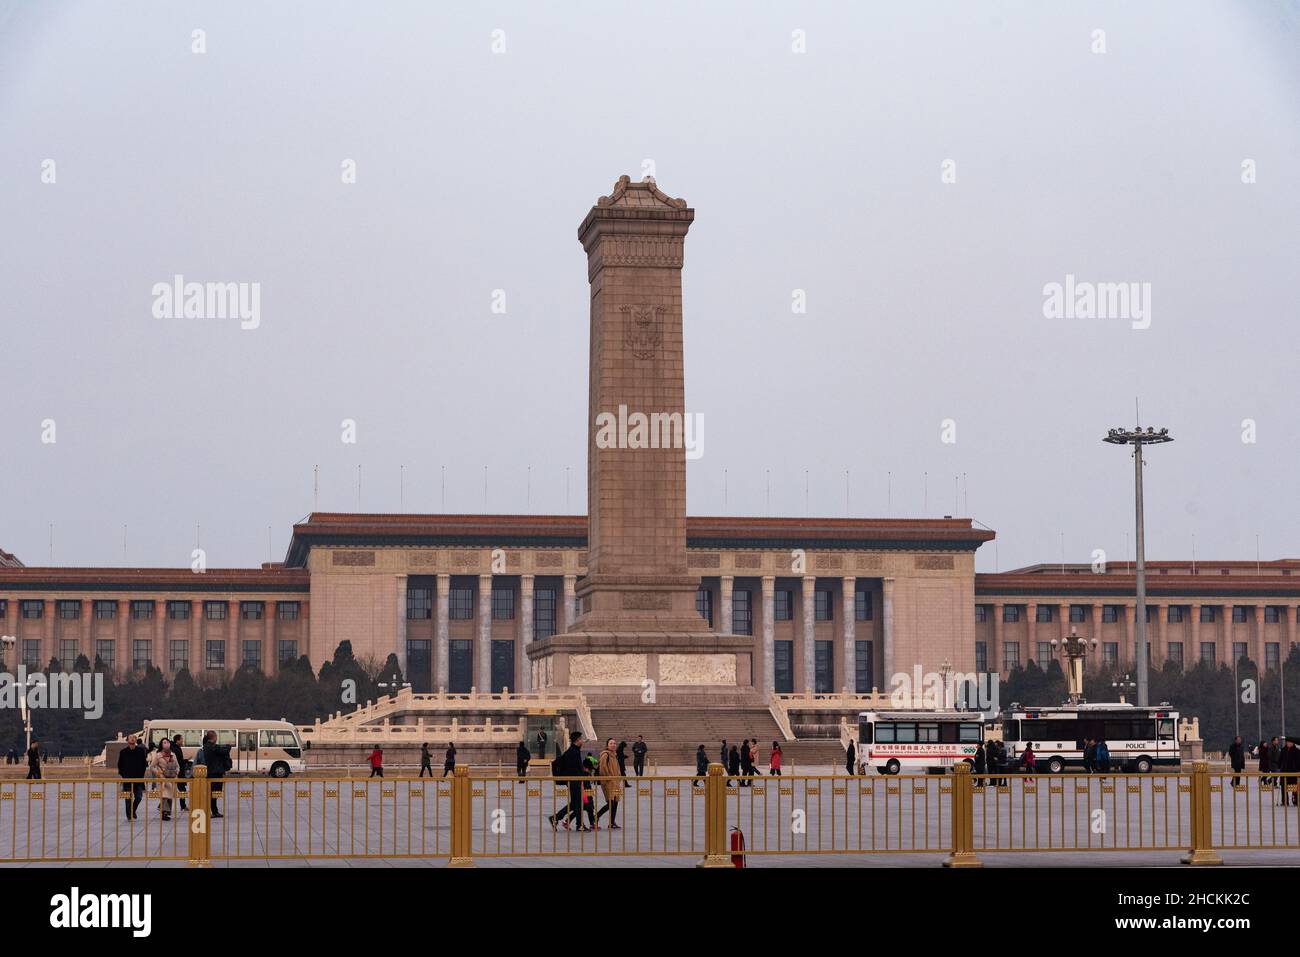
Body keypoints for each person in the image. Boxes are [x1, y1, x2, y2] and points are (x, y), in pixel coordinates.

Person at [548, 731, 587, 831]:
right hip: (574, 781)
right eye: (581, 739)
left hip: (575, 780)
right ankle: (579, 825)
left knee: (575, 803)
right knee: (578, 803)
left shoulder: (575, 750)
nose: (582, 741)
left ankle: (555, 818)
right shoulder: (572, 752)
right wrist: (581, 776)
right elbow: (572, 769)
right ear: (577, 740)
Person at [200, 730, 231, 819]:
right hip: (215, 773)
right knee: (213, 793)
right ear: (214, 737)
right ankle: (213, 811)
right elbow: (225, 750)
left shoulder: (207, 746)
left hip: (212, 772)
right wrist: (228, 746)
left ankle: (214, 811)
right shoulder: (211, 747)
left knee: (214, 793)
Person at [117, 734, 148, 821]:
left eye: (134, 737)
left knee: (139, 797)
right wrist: (124, 775)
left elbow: (144, 764)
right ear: (127, 740)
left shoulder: (140, 751)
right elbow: (120, 765)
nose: (132, 739)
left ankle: (132, 810)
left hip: (138, 779)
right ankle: (129, 815)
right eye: (130, 737)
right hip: (127, 779)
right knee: (128, 798)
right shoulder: (123, 752)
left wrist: (141, 774)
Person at [595, 738, 623, 829]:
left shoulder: (614, 755)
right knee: (611, 803)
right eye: (611, 743)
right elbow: (602, 769)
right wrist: (608, 778)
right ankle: (596, 816)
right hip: (608, 782)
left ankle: (612, 823)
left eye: (614, 743)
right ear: (607, 745)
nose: (613, 745)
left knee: (615, 802)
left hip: (615, 782)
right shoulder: (605, 755)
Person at [150, 740, 179, 821]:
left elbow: (177, 766)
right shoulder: (158, 755)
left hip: (172, 778)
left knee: (170, 796)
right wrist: (158, 773)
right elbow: (152, 766)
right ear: (161, 745)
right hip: (162, 779)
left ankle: (166, 812)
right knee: (165, 796)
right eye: (164, 742)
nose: (166, 744)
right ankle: (164, 813)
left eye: (167, 742)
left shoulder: (173, 755)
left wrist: (176, 773)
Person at [171, 734, 189, 811]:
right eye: (181, 739)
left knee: (179, 789)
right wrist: (185, 761)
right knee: (182, 789)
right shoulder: (175, 749)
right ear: (177, 740)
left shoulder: (176, 748)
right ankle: (183, 806)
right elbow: (177, 761)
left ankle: (183, 806)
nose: (182, 740)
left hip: (178, 772)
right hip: (177, 772)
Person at [1279, 739, 1300, 806]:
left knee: (1295, 787)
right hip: (1284, 771)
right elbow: (1280, 759)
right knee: (1283, 787)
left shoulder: (1297, 751)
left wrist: (1297, 768)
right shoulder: (1283, 750)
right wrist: (1280, 766)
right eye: (1288, 742)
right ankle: (1285, 801)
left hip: (1294, 772)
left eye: (1290, 742)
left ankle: (1296, 801)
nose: (1289, 743)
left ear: (1293, 743)